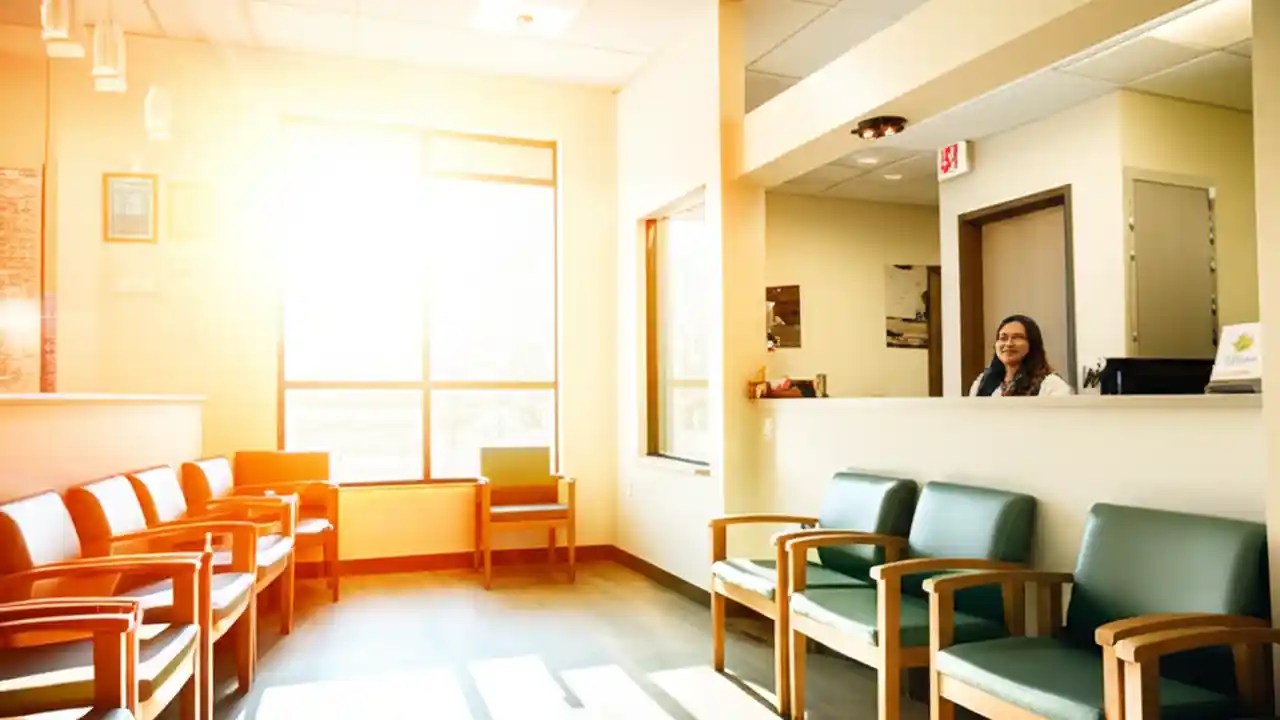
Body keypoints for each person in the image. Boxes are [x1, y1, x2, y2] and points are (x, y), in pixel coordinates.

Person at [969, 314, 1072, 397]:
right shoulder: (982, 382)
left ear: (1032, 344)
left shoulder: (1051, 384)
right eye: (1003, 338)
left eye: (1017, 337)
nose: (1009, 344)